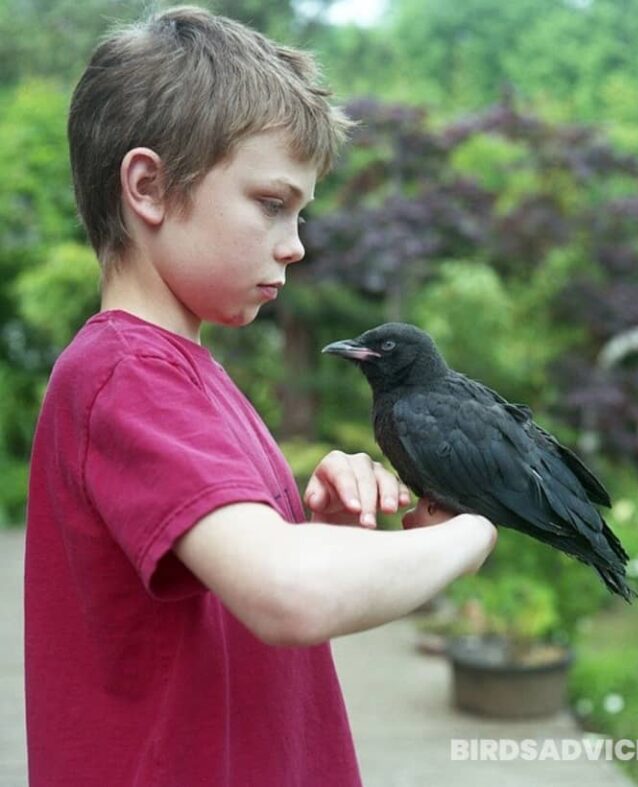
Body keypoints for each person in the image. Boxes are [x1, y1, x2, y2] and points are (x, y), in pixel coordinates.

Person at [23, 6, 497, 786]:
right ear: (148, 185)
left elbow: (241, 579)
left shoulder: (184, 373)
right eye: (272, 203)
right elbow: (288, 596)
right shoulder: (126, 374)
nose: (296, 242)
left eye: (301, 212)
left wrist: (317, 532)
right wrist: (476, 527)